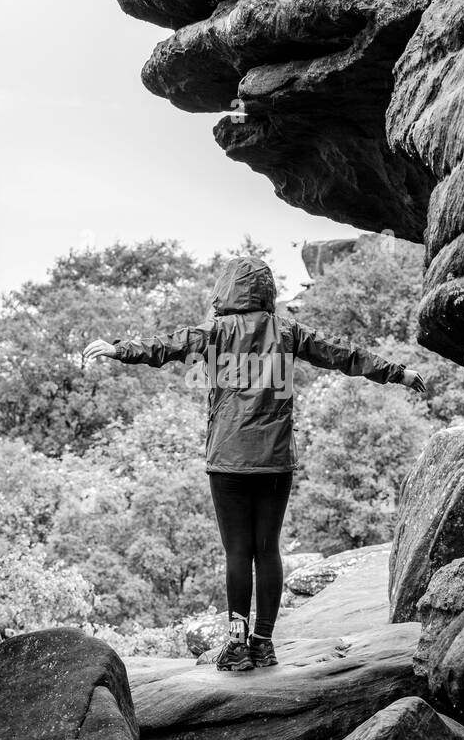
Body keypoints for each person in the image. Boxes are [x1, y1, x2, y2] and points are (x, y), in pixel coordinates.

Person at [83, 255, 425, 671]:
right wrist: (398, 372)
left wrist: (119, 350)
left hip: (228, 460)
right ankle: (263, 643)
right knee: (267, 551)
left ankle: (236, 644)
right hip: (275, 461)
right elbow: (344, 353)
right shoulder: (288, 331)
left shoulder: (216, 331)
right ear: (267, 292)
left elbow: (166, 346)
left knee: (237, 552)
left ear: (226, 290)